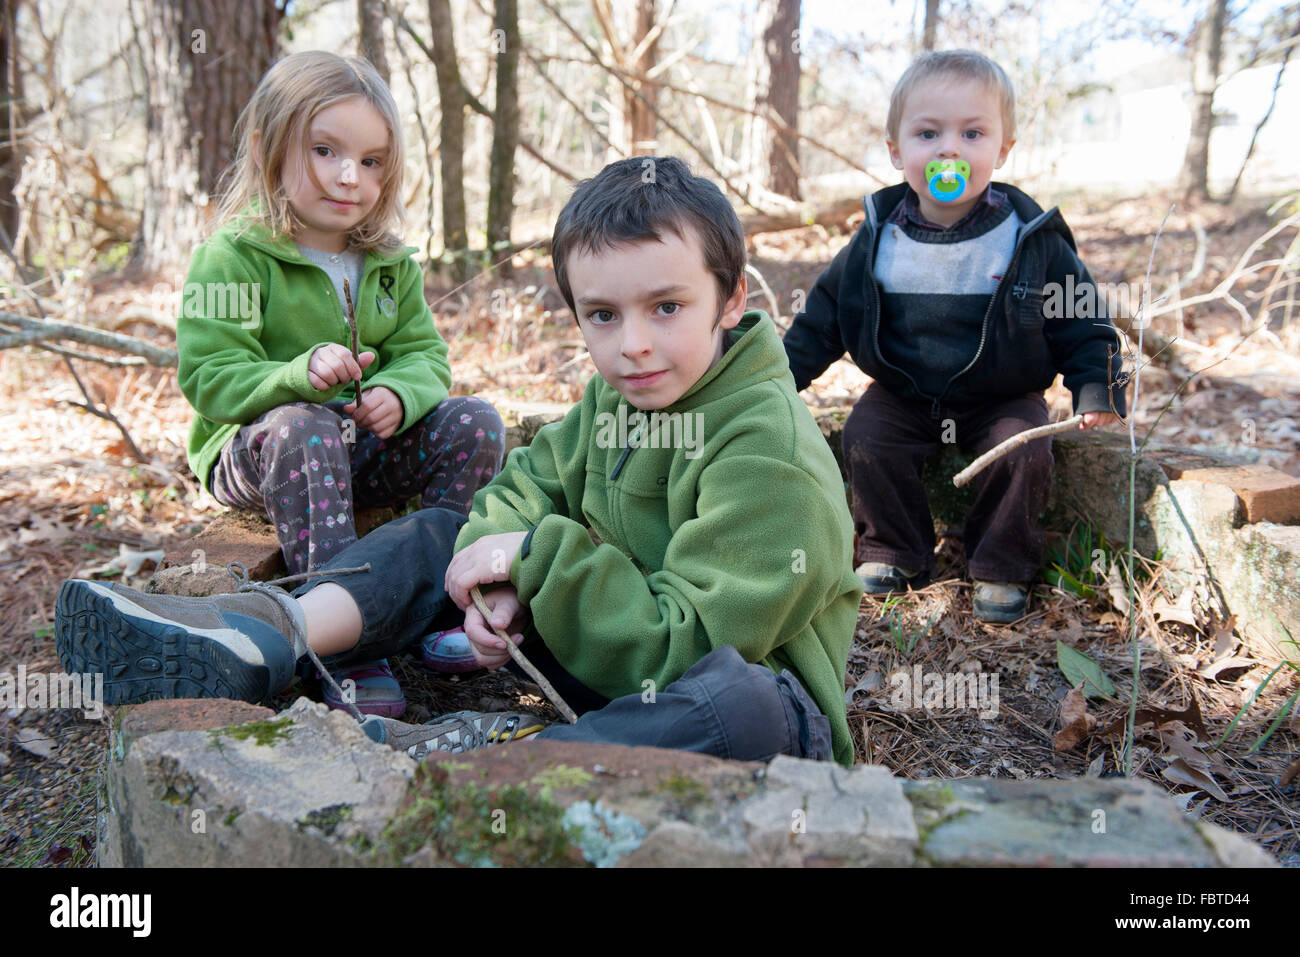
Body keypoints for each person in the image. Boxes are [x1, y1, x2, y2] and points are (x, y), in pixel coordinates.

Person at [55, 157, 862, 767]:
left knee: (744, 702)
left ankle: (496, 760)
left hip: (715, 702)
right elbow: (522, 484)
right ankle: (269, 633)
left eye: (668, 307)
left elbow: (681, 646)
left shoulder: (769, 455)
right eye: (603, 315)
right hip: (605, 649)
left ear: (732, 302)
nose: (633, 343)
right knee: (446, 529)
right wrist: (502, 573)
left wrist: (539, 558)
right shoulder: (625, 394)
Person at [175, 52, 503, 716]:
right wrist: (296, 375)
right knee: (306, 422)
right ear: (269, 147)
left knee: (477, 422)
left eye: (372, 160)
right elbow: (211, 376)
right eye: (325, 150)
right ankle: (345, 644)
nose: (350, 176)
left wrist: (402, 395)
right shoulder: (234, 258)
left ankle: (445, 605)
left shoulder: (386, 263)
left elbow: (424, 358)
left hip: (357, 448)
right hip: (260, 449)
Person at [782, 50, 1126, 623]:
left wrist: (1097, 387)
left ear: (1003, 149)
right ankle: (893, 548)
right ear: (897, 151)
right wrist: (783, 377)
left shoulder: (1027, 238)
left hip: (1001, 394)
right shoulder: (879, 238)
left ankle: (1001, 563)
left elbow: (1081, 314)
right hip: (905, 392)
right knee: (868, 437)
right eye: (927, 133)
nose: (949, 150)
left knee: (1023, 448)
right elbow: (824, 316)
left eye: (972, 133)